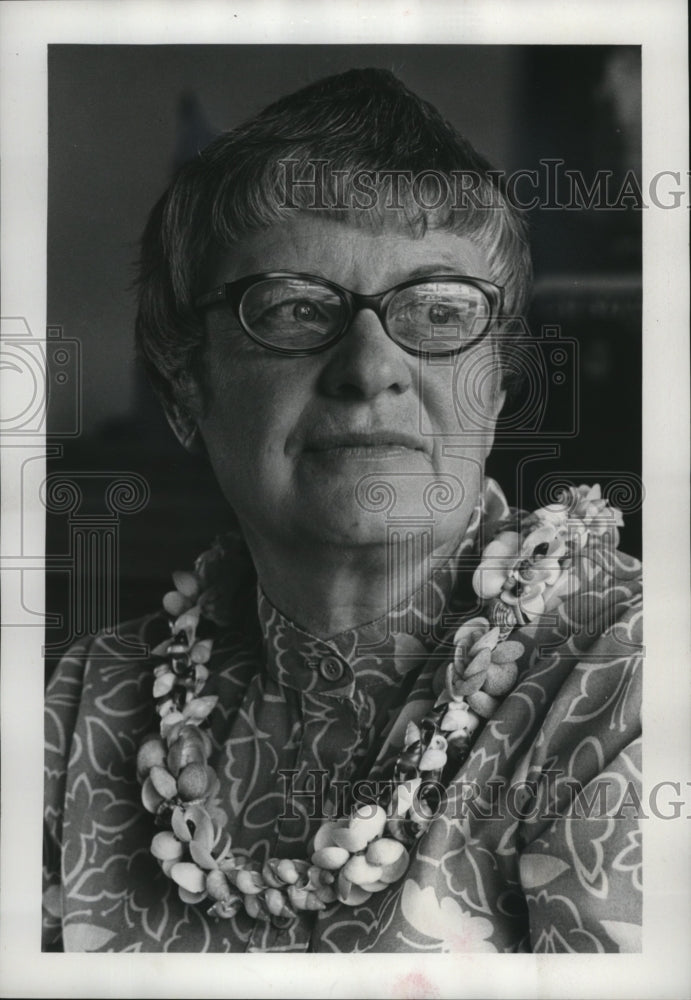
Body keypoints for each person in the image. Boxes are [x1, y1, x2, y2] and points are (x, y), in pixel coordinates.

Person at [43, 67, 642, 953]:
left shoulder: (630, 682)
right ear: (182, 388)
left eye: (438, 311)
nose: (369, 367)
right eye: (291, 309)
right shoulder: (77, 705)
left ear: (499, 380)